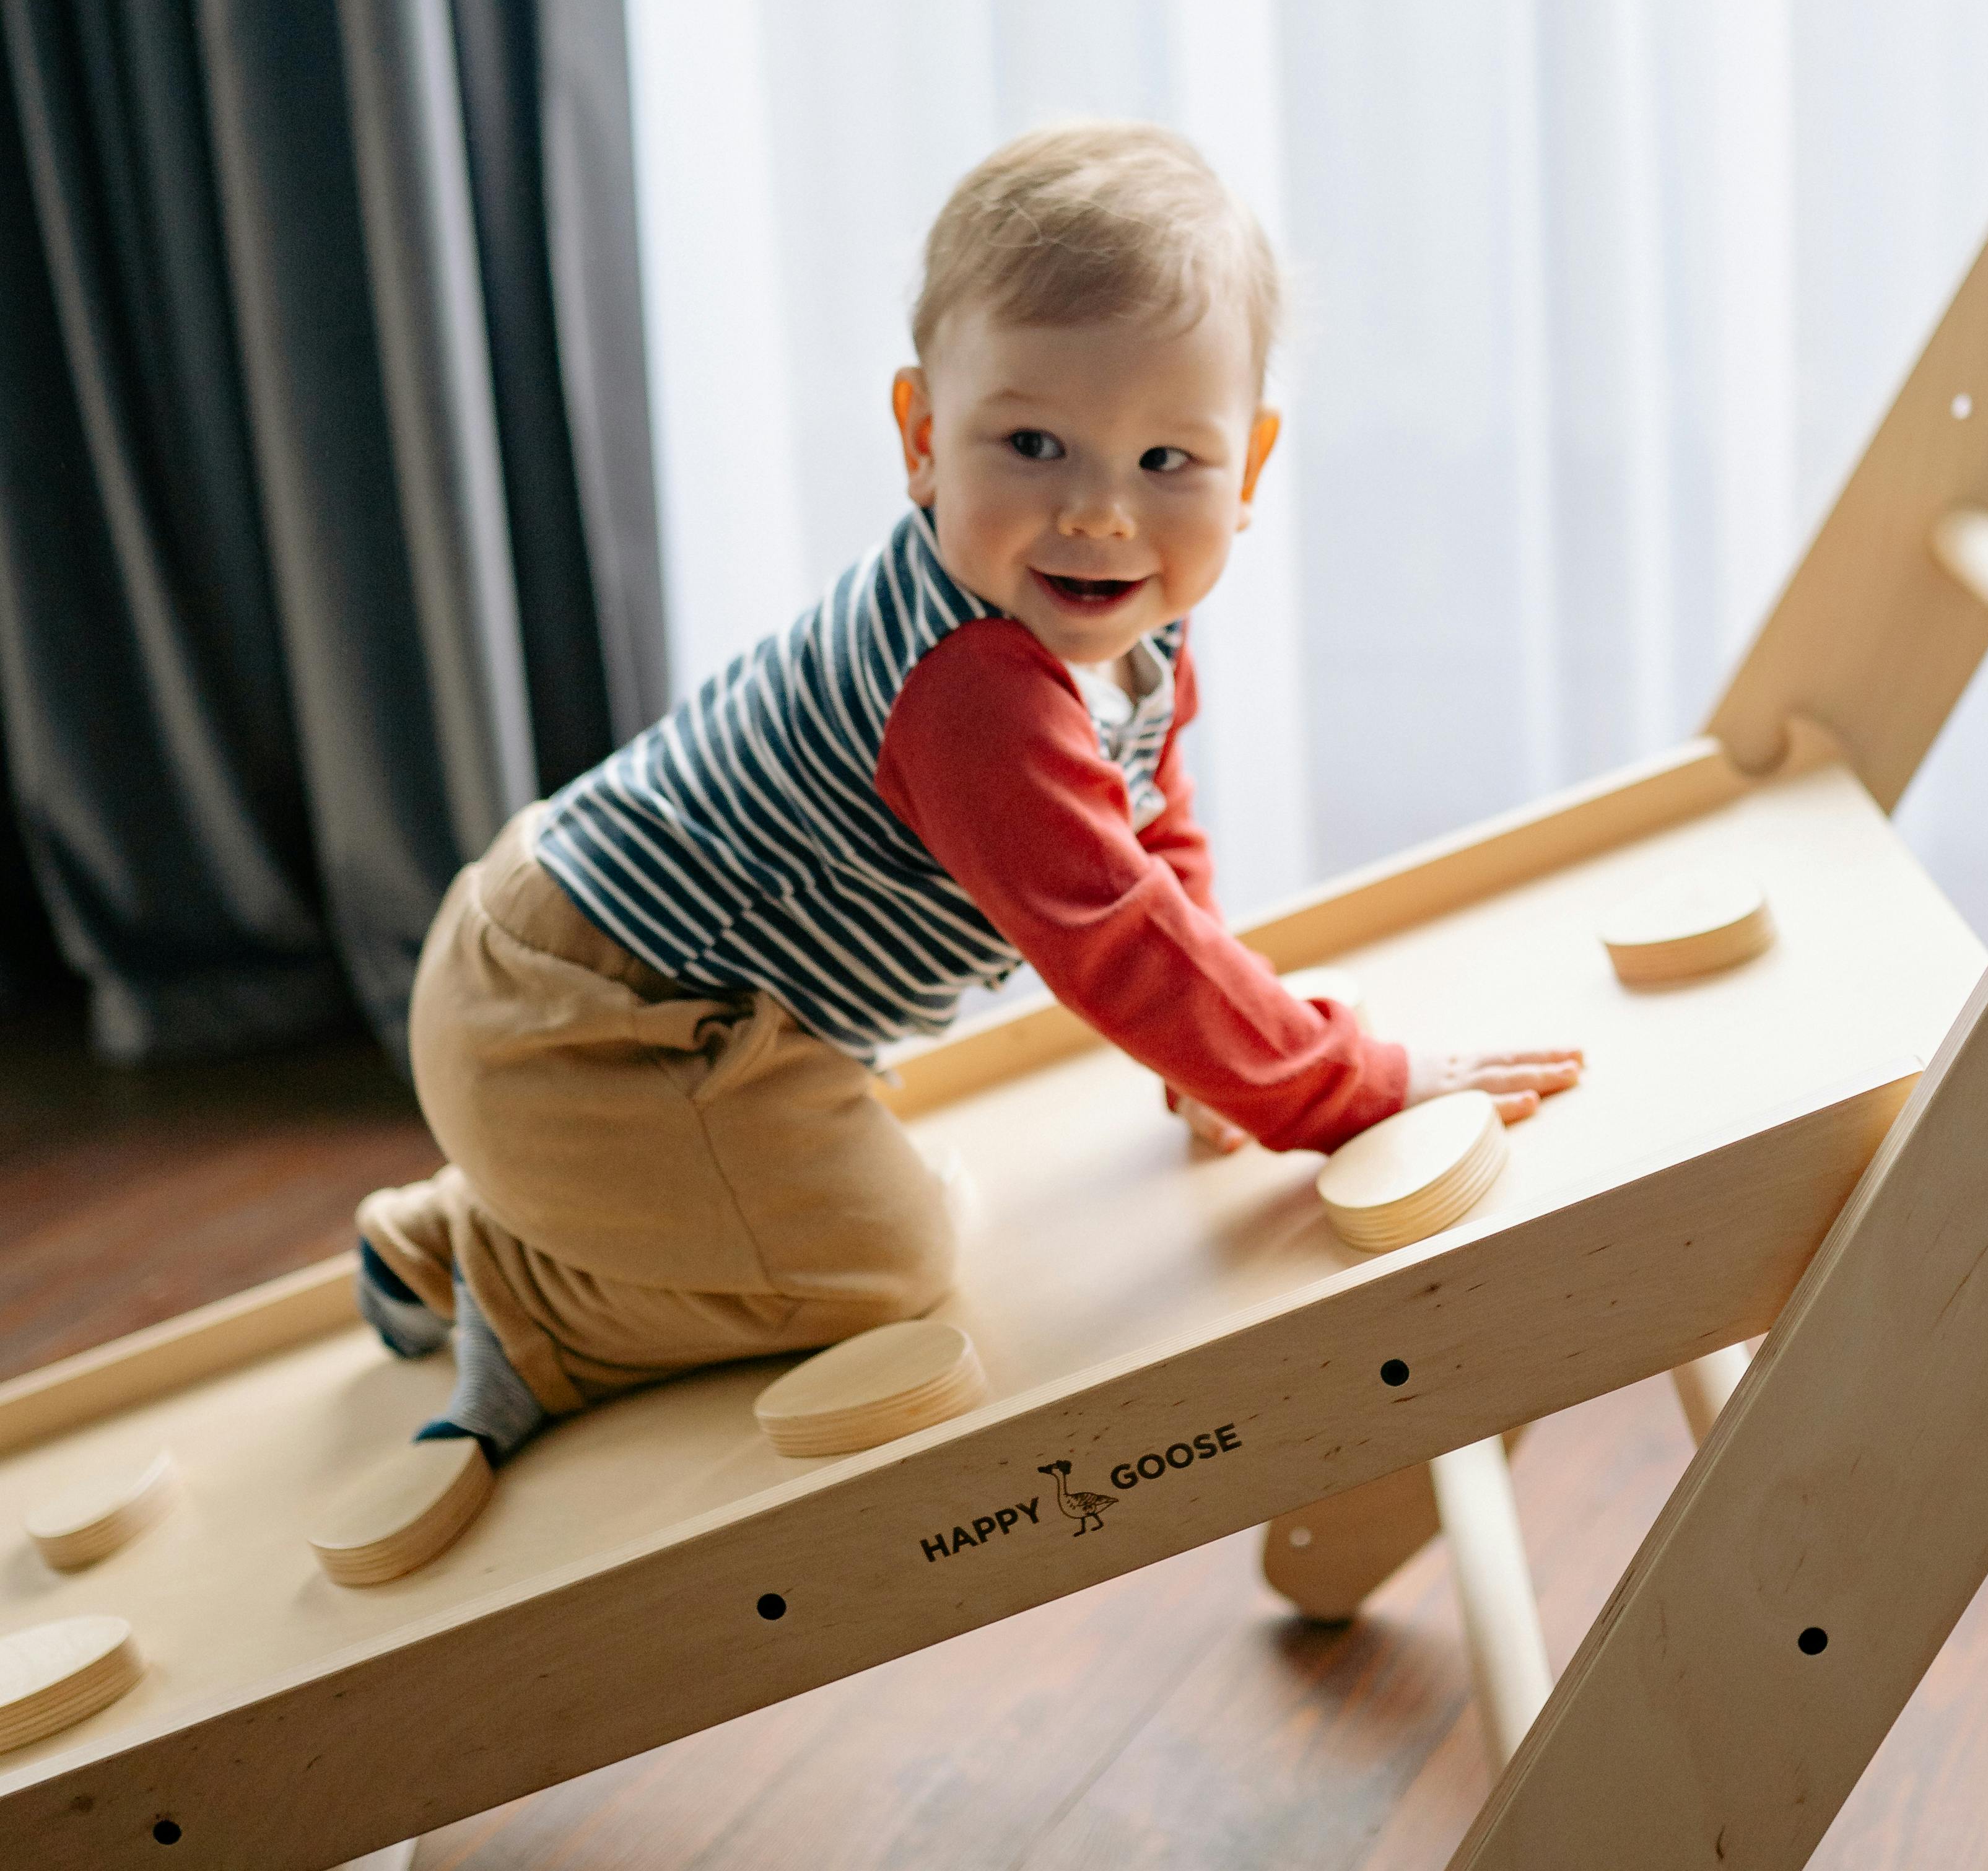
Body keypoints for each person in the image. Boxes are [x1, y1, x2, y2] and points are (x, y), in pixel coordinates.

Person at [354, 121, 1585, 1472]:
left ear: (1248, 471)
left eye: (1167, 463)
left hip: (598, 984)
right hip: (599, 1027)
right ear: (922, 438)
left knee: (865, 1195)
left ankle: (456, 1228)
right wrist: (1343, 1086)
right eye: (1034, 444)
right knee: (892, 1262)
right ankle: (522, 1299)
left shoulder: (1120, 622)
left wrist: (1220, 1066)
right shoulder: (975, 692)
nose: (1103, 515)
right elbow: (1109, 938)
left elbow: (1149, 839)